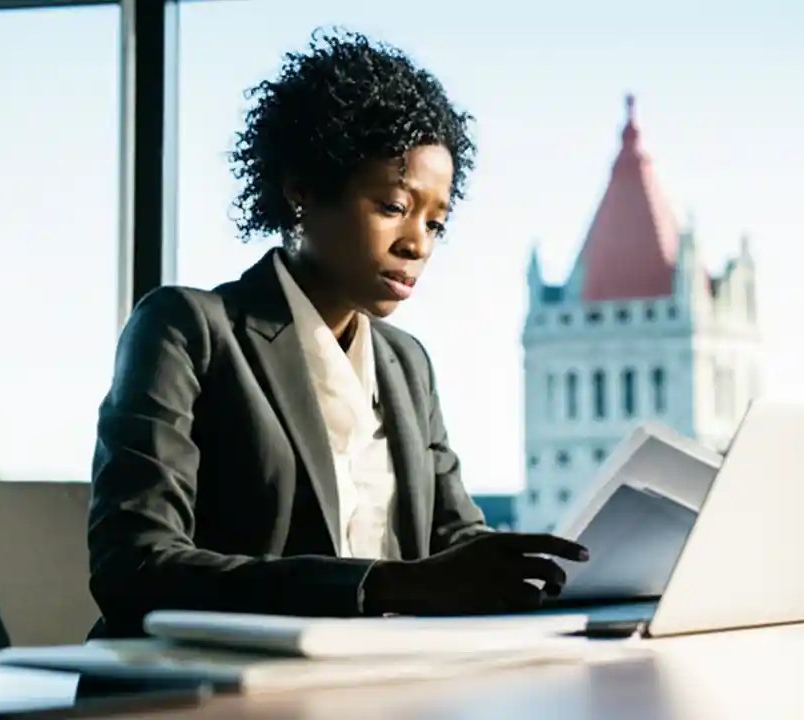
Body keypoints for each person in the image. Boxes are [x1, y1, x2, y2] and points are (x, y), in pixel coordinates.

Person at [87, 30, 587, 638]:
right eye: (393, 206)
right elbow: (134, 565)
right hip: (205, 685)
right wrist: (384, 585)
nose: (418, 244)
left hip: (382, 680)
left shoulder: (407, 364)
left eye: (437, 222)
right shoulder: (188, 330)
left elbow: (458, 543)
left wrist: (580, 575)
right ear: (302, 189)